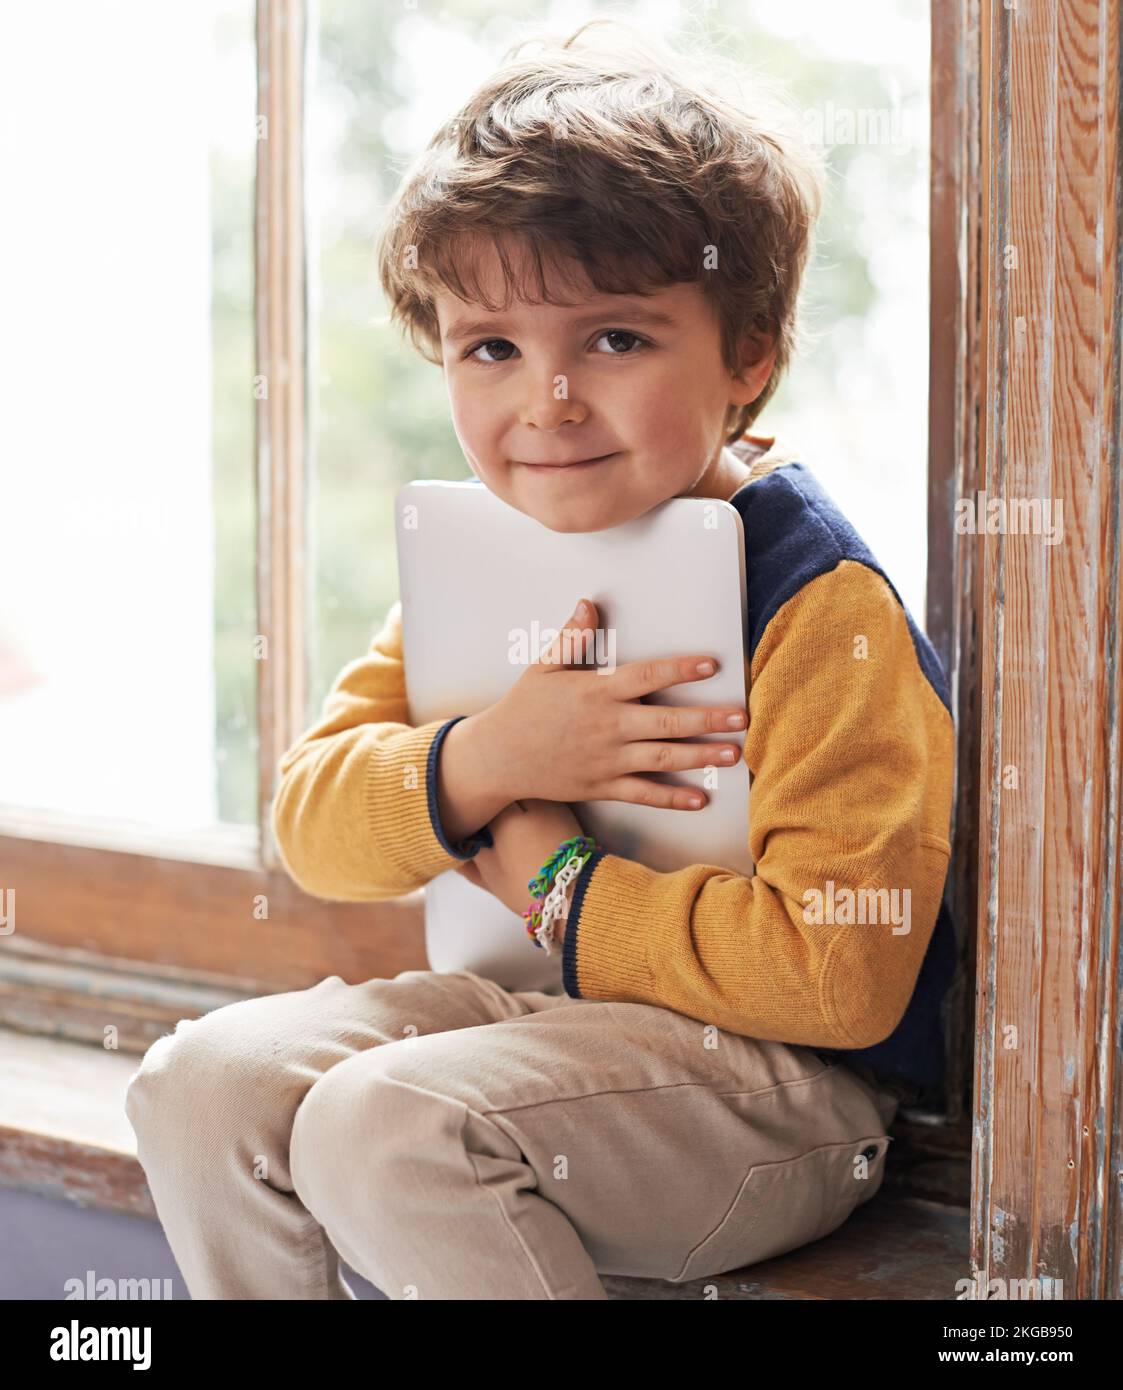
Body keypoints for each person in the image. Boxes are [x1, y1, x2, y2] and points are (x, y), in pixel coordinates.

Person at [124, 18, 955, 1300]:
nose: (547, 399)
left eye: (614, 340)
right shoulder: (486, 559)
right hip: (546, 1032)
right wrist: (483, 759)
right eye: (493, 347)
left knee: (388, 1122)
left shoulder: (815, 604)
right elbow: (313, 823)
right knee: (198, 1083)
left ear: (749, 354)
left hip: (790, 1094)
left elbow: (840, 978)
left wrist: (560, 883)